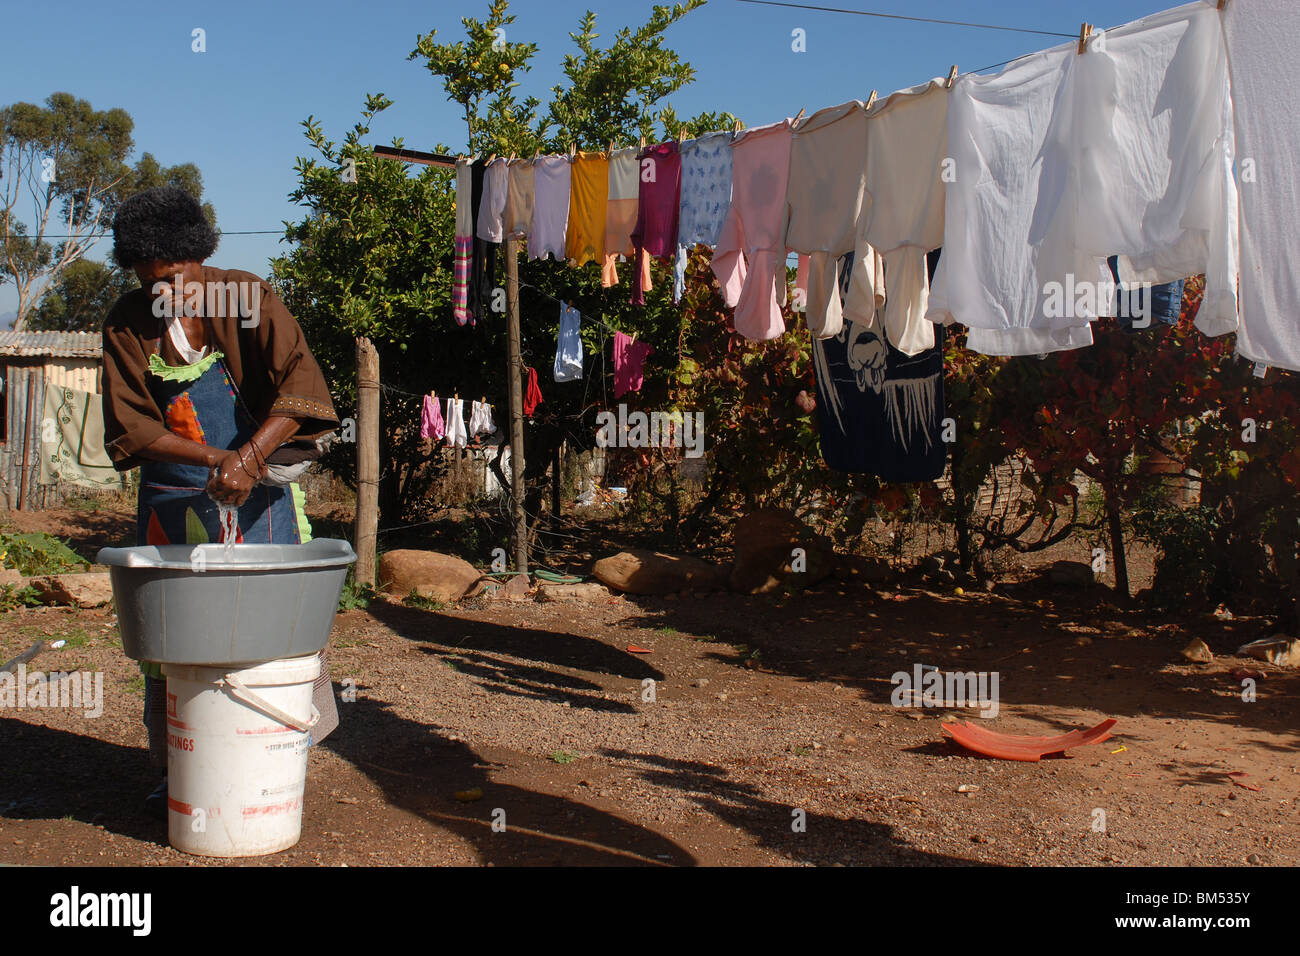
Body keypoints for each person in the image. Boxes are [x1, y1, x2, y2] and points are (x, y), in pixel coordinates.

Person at [101, 187, 341, 818]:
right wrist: (217, 462)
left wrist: (250, 459)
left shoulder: (248, 296)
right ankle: (178, 766)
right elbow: (133, 426)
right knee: (173, 635)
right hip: (170, 495)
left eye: (175, 278)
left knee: (270, 630)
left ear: (199, 259)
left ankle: (273, 754)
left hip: (260, 494)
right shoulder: (127, 322)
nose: (165, 293)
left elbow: (301, 386)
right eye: (151, 281)